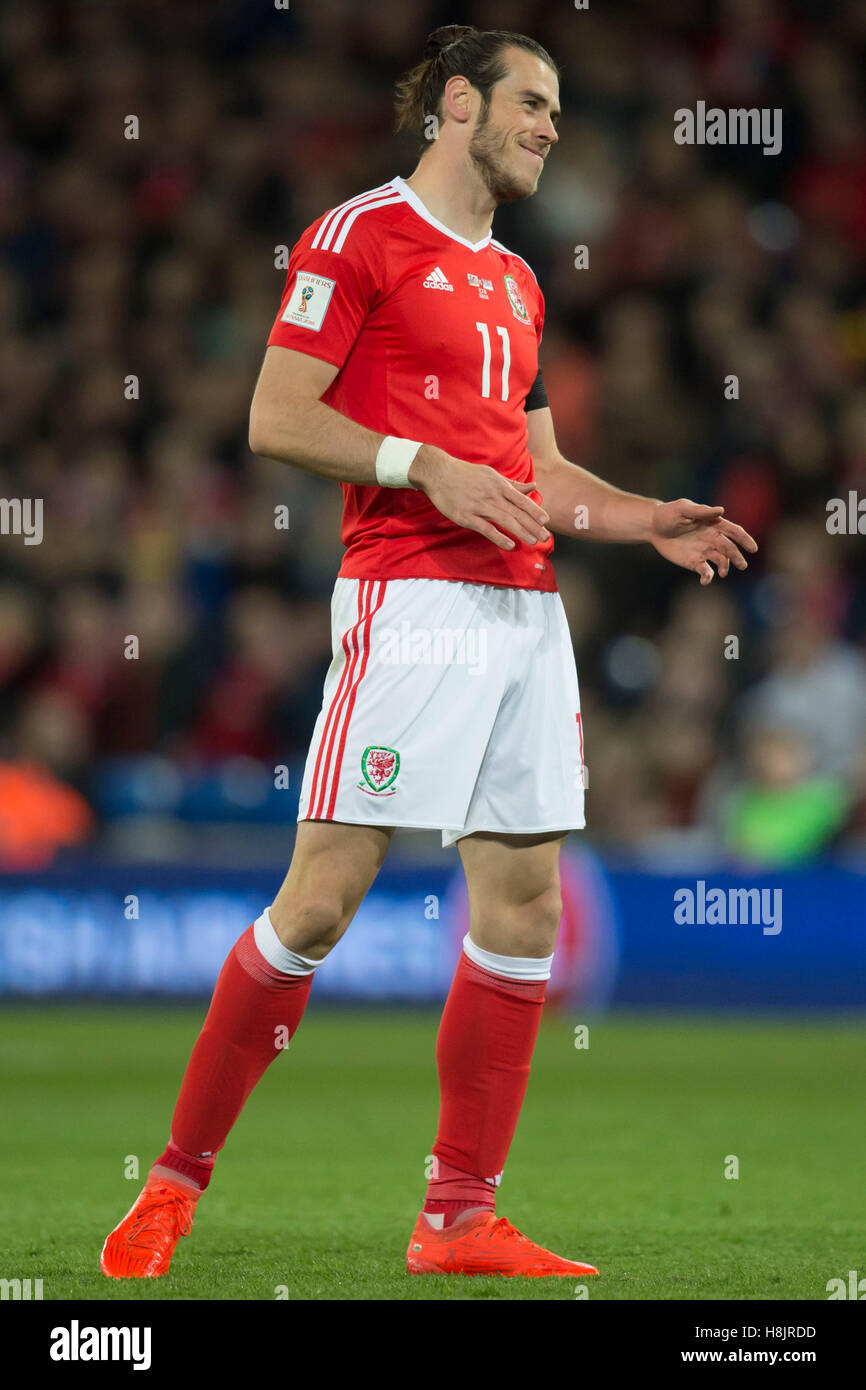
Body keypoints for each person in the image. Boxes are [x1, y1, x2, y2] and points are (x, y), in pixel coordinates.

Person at [101, 23, 756, 1281]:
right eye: (532, 103)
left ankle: (457, 1214)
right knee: (321, 901)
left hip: (524, 611)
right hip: (411, 603)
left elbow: (538, 473)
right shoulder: (357, 237)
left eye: (557, 110)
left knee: (524, 908)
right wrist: (421, 465)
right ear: (457, 103)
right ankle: (173, 1184)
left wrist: (640, 519)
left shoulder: (518, 282)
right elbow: (275, 416)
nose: (550, 127)